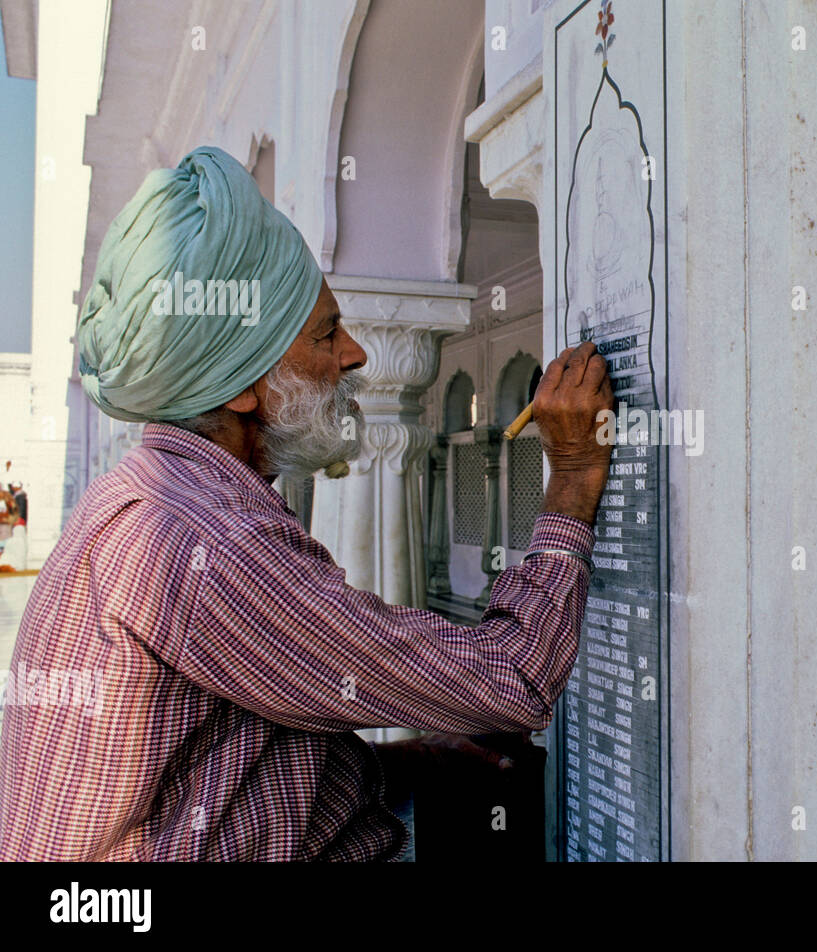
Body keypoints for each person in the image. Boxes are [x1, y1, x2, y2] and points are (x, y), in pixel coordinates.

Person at [0, 146, 614, 860]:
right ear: (241, 384)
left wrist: (402, 766)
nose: (355, 354)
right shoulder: (207, 543)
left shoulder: (147, 497)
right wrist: (571, 474)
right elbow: (513, 677)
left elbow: (221, 769)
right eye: (325, 333)